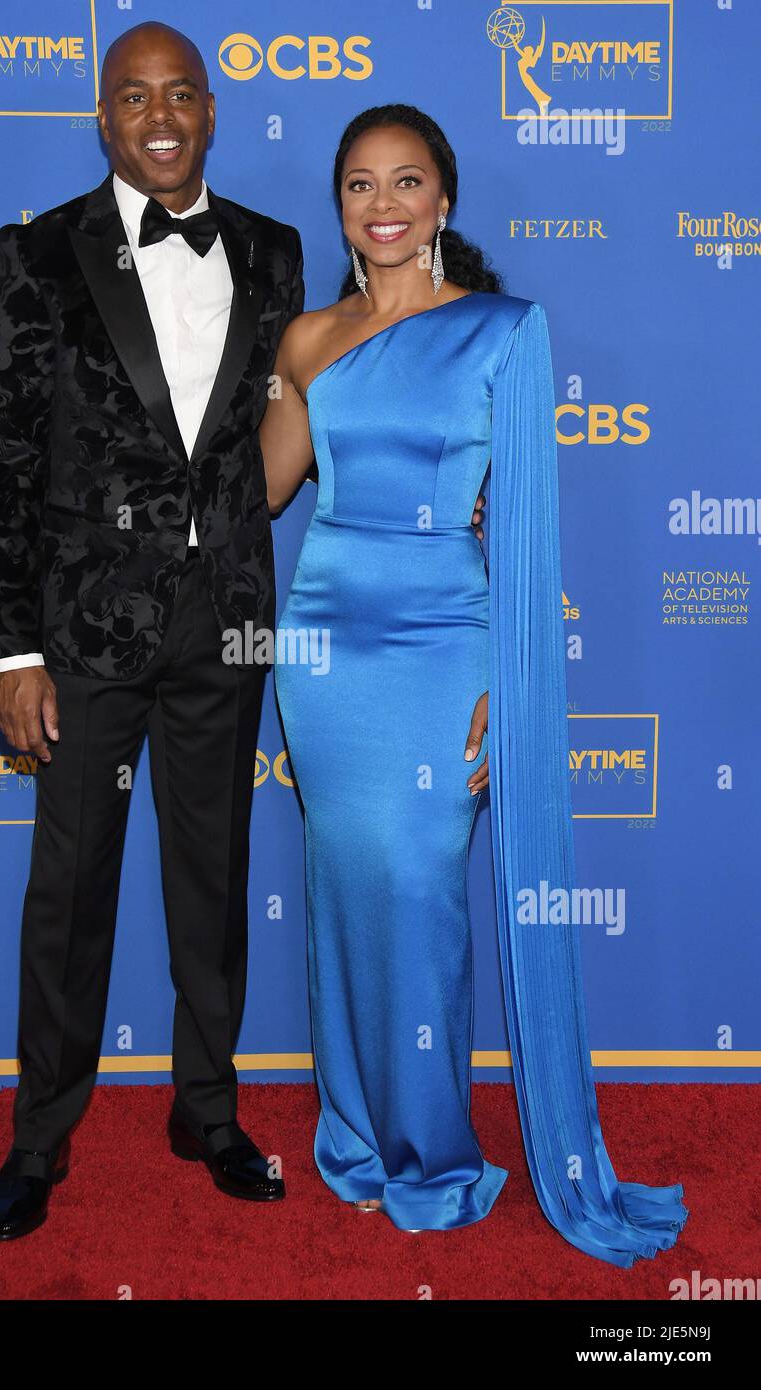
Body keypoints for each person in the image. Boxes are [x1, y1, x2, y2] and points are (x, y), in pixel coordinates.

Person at [261, 104, 688, 1267]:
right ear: (340, 202)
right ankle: (354, 1140)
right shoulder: (306, 342)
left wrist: (516, 673)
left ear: (444, 199)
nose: (384, 205)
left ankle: (434, 1157)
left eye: (407, 182)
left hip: (448, 642)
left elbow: (530, 529)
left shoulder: (505, 332)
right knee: (348, 893)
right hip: (325, 654)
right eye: (360, 183)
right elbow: (253, 497)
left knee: (417, 895)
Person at [0, 21, 308, 1239]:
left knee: (212, 885)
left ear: (212, 113)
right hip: (82, 639)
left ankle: (207, 1112)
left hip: (224, 632)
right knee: (70, 891)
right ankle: (40, 1136)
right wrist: (9, 650)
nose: (158, 116)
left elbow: (290, 422)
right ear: (103, 118)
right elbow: (4, 462)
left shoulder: (274, 250)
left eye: (179, 96)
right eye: (131, 97)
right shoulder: (37, 254)